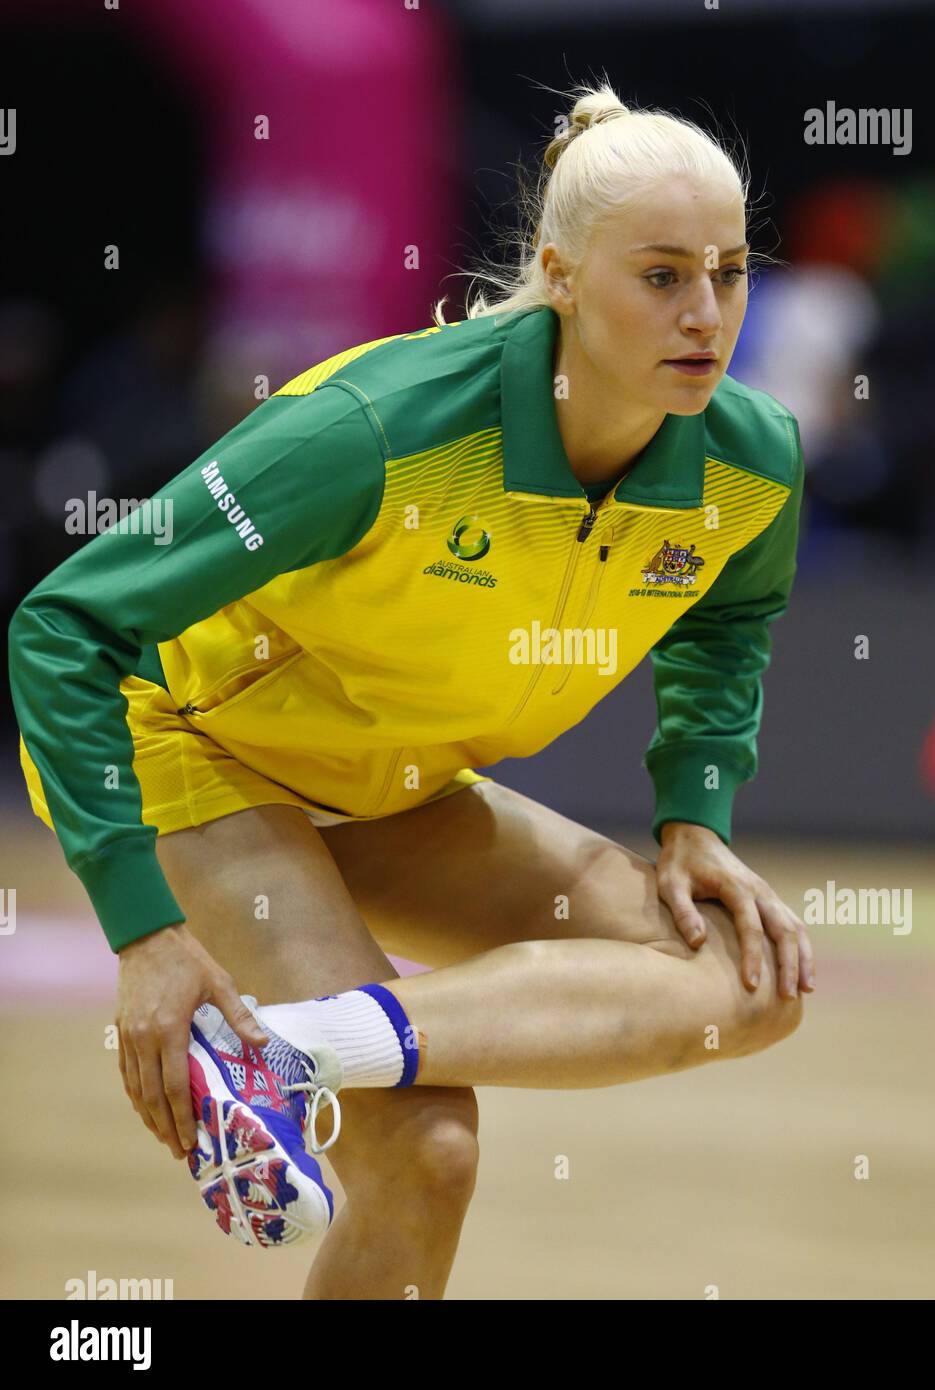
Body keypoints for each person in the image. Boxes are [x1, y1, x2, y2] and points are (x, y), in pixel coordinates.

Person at [9, 81, 813, 1297]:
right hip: (206, 758)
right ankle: (300, 1050)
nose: (707, 314)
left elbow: (731, 617)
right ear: (559, 271)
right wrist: (144, 933)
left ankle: (286, 1054)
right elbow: (63, 623)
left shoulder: (752, 461)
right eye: (661, 276)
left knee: (751, 980)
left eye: (732, 272)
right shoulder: (375, 430)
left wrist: (695, 813)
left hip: (395, 783)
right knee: (427, 1150)